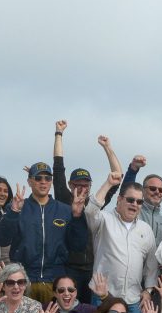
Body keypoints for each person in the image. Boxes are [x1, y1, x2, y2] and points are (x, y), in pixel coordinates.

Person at [0, 161, 88, 304]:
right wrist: (13, 213)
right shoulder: (17, 207)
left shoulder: (65, 210)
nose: (43, 182)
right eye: (38, 178)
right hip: (24, 280)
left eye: (47, 178)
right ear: (30, 181)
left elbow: (78, 246)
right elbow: (2, 240)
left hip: (55, 280)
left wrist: (77, 216)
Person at [52, 122, 122, 299]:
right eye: (77, 185)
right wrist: (58, 133)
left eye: (86, 185)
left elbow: (117, 177)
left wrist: (108, 147)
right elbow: (58, 166)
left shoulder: (95, 205)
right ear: (70, 185)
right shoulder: (63, 198)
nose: (82, 188)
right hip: (68, 268)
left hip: (92, 268)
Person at [85, 173, 159, 313]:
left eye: (139, 201)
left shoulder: (145, 229)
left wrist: (149, 290)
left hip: (134, 301)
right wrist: (108, 183)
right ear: (119, 199)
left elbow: (152, 264)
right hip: (103, 296)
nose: (134, 204)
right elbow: (90, 211)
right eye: (130, 200)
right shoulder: (104, 219)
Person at [121, 156, 162, 246]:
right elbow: (126, 192)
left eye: (161, 190)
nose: (157, 192)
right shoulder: (133, 210)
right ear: (143, 190)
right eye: (152, 188)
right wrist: (133, 169)